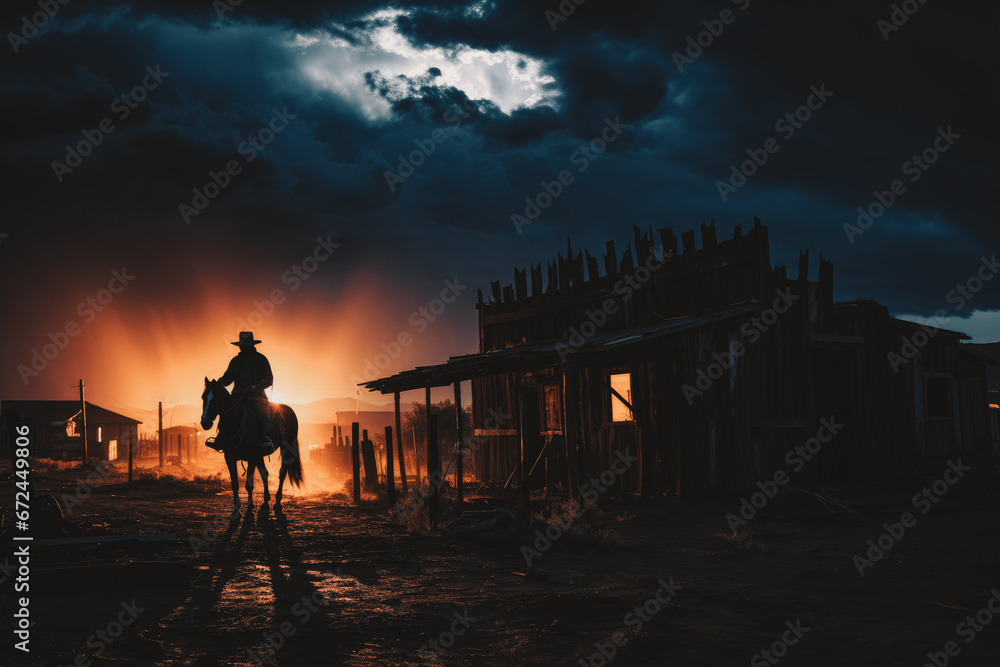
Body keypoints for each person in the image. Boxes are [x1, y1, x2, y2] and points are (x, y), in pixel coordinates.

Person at [220, 331, 276, 454]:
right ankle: (221, 438)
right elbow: (227, 378)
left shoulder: (261, 360)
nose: (243, 348)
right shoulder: (235, 361)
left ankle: (267, 439)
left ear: (251, 346)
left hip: (257, 397)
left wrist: (254, 386)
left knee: (263, 415)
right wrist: (219, 383)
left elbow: (268, 379)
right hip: (237, 395)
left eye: (246, 346)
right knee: (226, 412)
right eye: (242, 346)